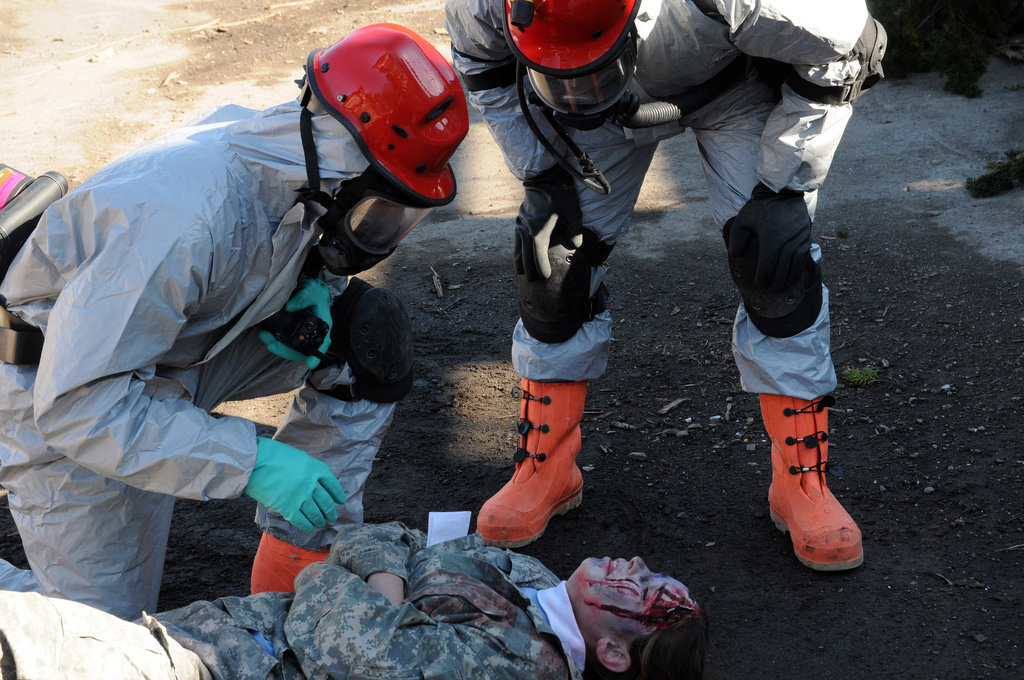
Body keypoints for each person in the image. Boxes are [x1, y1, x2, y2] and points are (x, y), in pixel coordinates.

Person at [0, 23, 469, 619]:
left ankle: (299, 567)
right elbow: (79, 405)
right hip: (62, 395)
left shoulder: (299, 159)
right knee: (102, 643)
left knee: (362, 337)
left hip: (167, 353)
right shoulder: (179, 219)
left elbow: (303, 237)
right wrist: (251, 460)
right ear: (349, 167)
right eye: (383, 205)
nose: (381, 231)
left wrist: (310, 288)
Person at [442, 0, 886, 570]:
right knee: (553, 261)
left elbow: (846, 51)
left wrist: (784, 179)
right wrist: (541, 172)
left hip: (731, 86)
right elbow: (484, 69)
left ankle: (802, 484)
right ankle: (546, 469)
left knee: (776, 262)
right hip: (581, 111)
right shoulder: (480, 5)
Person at [0, 522, 709, 680]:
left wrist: (380, 584)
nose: (637, 565)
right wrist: (385, 589)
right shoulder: (527, 574)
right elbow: (388, 533)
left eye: (642, 593)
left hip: (202, 666)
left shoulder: (520, 670)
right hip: (194, 636)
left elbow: (333, 618)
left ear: (614, 652)